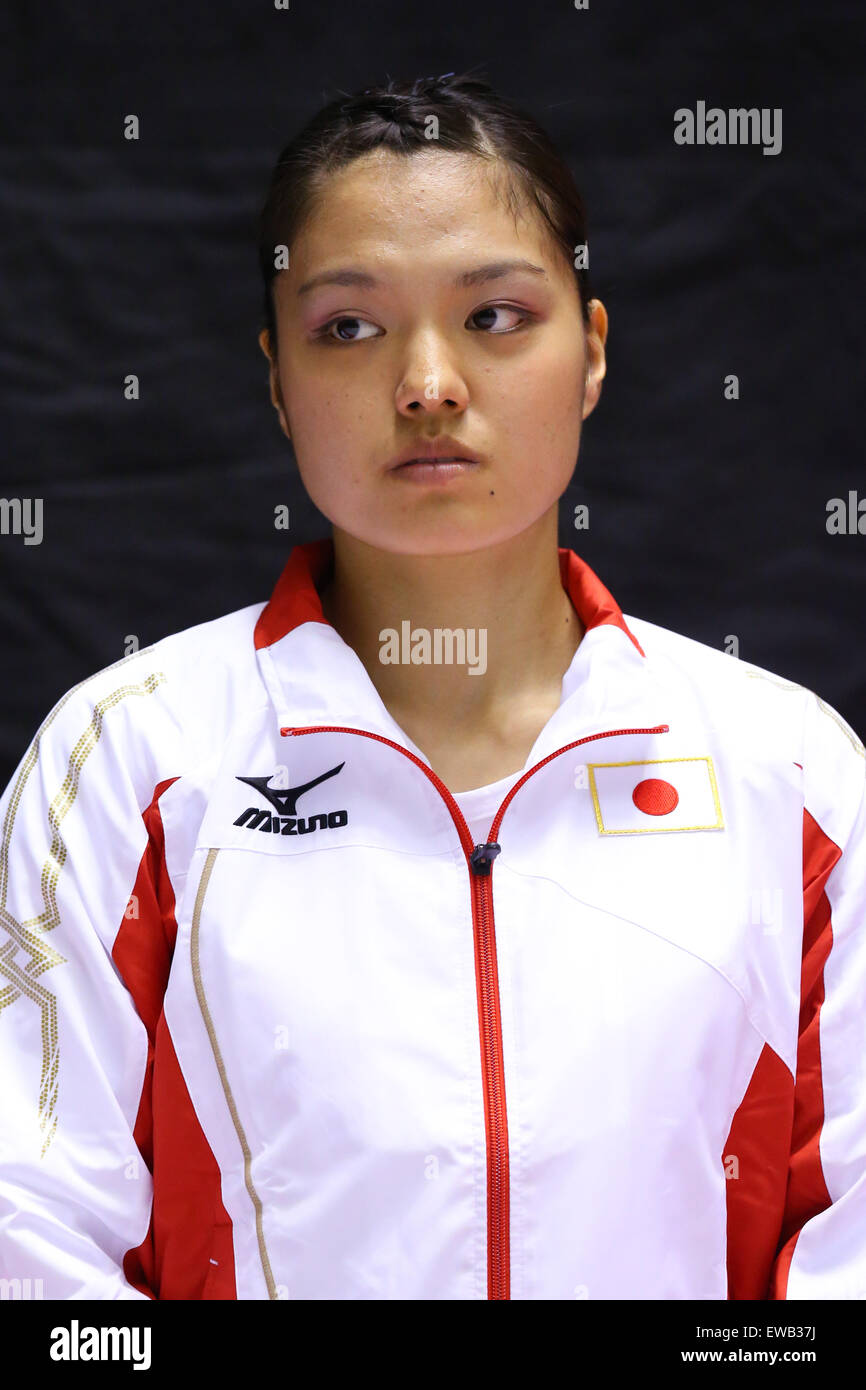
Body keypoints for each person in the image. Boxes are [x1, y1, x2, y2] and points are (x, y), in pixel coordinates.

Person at [1, 71, 864, 1302]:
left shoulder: (792, 775)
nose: (426, 383)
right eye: (346, 326)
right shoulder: (128, 762)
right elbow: (29, 1237)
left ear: (592, 353)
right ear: (275, 377)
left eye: (495, 317)